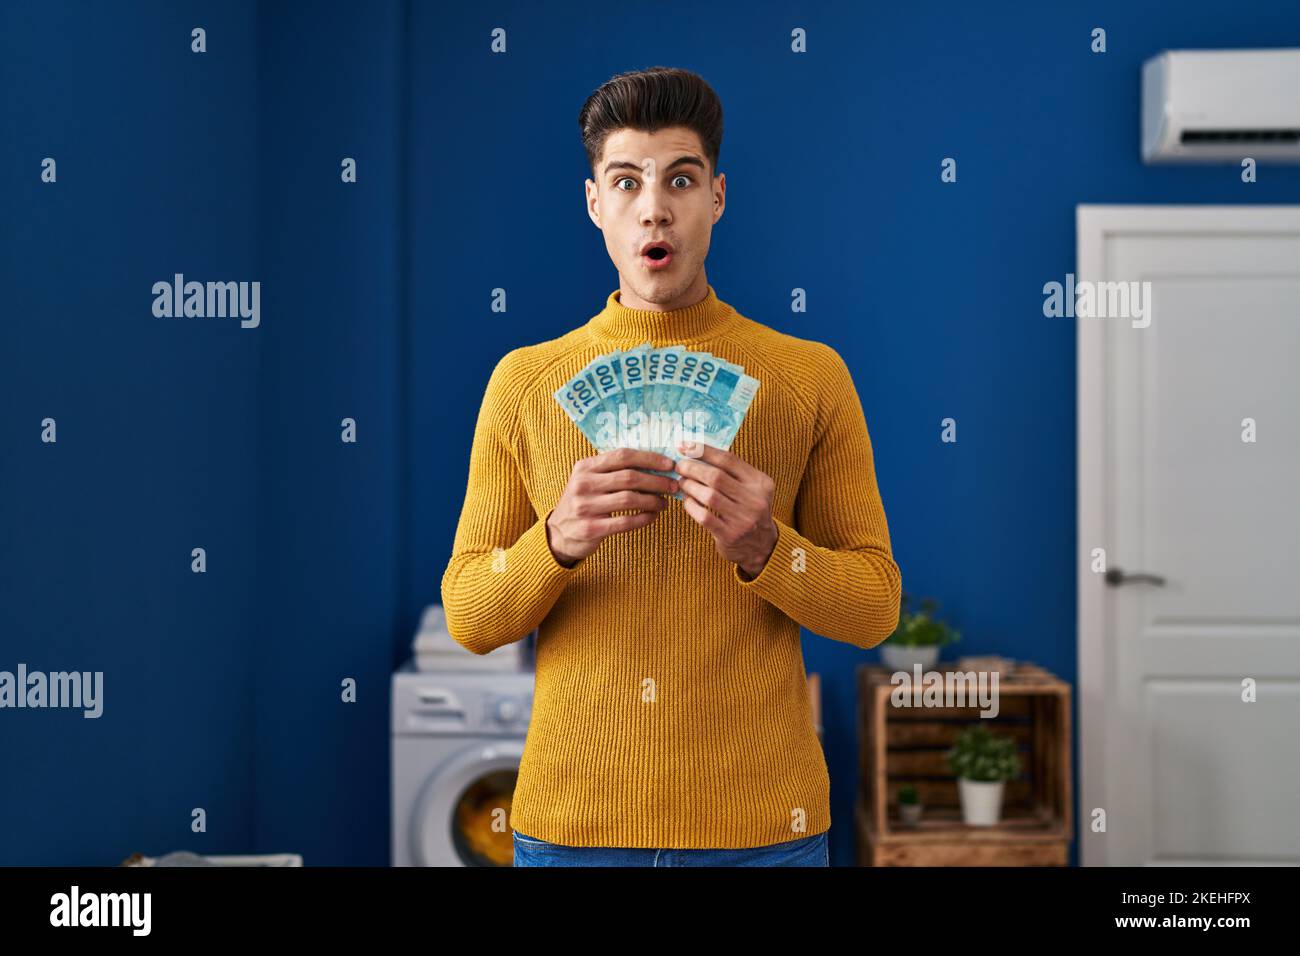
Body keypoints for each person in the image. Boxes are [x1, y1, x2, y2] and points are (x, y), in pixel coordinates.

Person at [441, 66, 901, 867]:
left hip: (765, 830)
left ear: (716, 198)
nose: (654, 206)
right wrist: (552, 540)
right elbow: (471, 617)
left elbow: (874, 609)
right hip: (572, 829)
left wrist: (770, 549)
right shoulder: (523, 382)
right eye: (626, 181)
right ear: (595, 204)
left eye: (680, 179)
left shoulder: (810, 376)